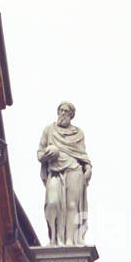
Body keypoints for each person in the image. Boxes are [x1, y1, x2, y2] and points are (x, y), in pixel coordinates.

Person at [37, 102, 92, 245]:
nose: (63, 114)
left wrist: (88, 168)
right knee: (52, 203)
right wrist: (48, 153)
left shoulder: (78, 134)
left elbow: (83, 155)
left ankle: (70, 241)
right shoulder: (49, 130)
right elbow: (40, 154)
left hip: (74, 169)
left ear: (71, 115)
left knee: (72, 205)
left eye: (66, 112)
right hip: (55, 170)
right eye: (61, 110)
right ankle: (54, 239)